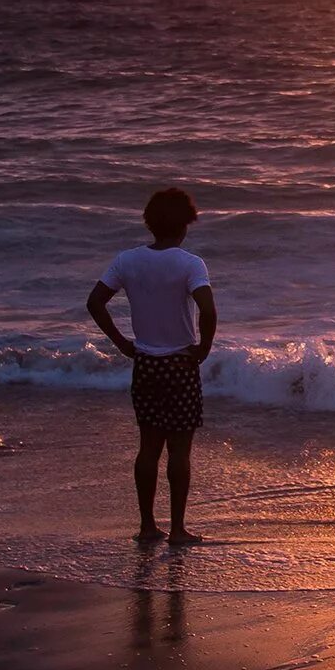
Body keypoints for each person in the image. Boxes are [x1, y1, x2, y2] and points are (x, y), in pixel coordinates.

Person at [86, 187, 217, 546]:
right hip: (179, 364)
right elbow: (207, 309)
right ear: (185, 225)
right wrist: (203, 348)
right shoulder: (191, 264)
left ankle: (147, 526)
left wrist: (122, 343)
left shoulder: (127, 260)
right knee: (179, 451)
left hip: (145, 363)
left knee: (148, 447)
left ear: (150, 223)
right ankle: (177, 529)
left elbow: (95, 302)